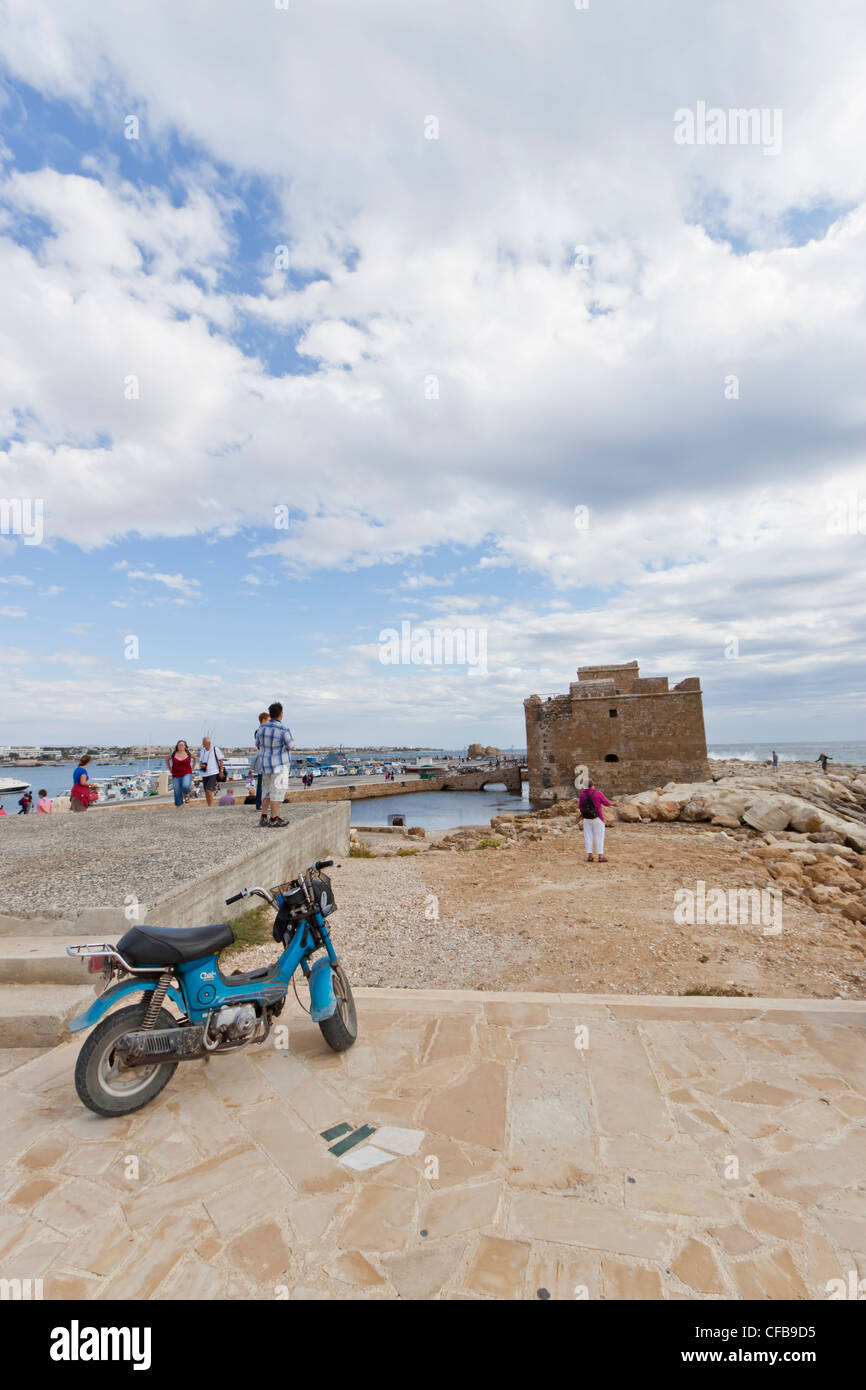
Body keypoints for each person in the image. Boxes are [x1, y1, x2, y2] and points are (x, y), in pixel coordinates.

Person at [254, 701, 295, 827]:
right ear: (281, 714)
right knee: (277, 791)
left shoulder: (261, 728)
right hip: (279, 765)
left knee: (266, 790)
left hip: (265, 765)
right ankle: (274, 819)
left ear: (270, 714)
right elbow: (291, 746)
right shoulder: (283, 729)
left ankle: (264, 816)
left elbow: (257, 744)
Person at [579, 779, 614, 863]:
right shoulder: (598, 793)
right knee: (599, 837)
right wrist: (613, 804)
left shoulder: (582, 794)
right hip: (597, 818)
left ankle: (590, 856)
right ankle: (600, 856)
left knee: (588, 836)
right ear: (592, 785)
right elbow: (606, 803)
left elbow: (580, 806)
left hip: (586, 818)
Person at [198, 736, 225, 807]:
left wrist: (221, 771)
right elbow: (200, 761)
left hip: (213, 772)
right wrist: (201, 765)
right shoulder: (202, 751)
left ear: (208, 743)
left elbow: (221, 760)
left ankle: (211, 805)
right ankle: (209, 805)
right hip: (204, 773)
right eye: (202, 743)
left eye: (204, 743)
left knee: (209, 790)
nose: (203, 744)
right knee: (206, 791)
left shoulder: (215, 749)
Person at [166, 740, 194, 807]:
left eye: (182, 745)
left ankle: (186, 794)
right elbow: (167, 759)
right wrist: (170, 769)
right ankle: (179, 807)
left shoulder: (188, 753)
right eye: (179, 745)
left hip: (187, 773)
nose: (180, 746)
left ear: (185, 746)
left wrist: (192, 768)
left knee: (185, 785)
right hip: (175, 775)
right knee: (177, 792)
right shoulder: (173, 753)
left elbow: (195, 758)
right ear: (177, 746)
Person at [252, 711, 269, 812]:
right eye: (268, 720)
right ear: (263, 720)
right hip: (264, 759)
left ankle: (261, 803)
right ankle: (260, 803)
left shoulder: (259, 731)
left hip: (263, 758)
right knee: (262, 782)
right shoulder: (260, 731)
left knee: (262, 782)